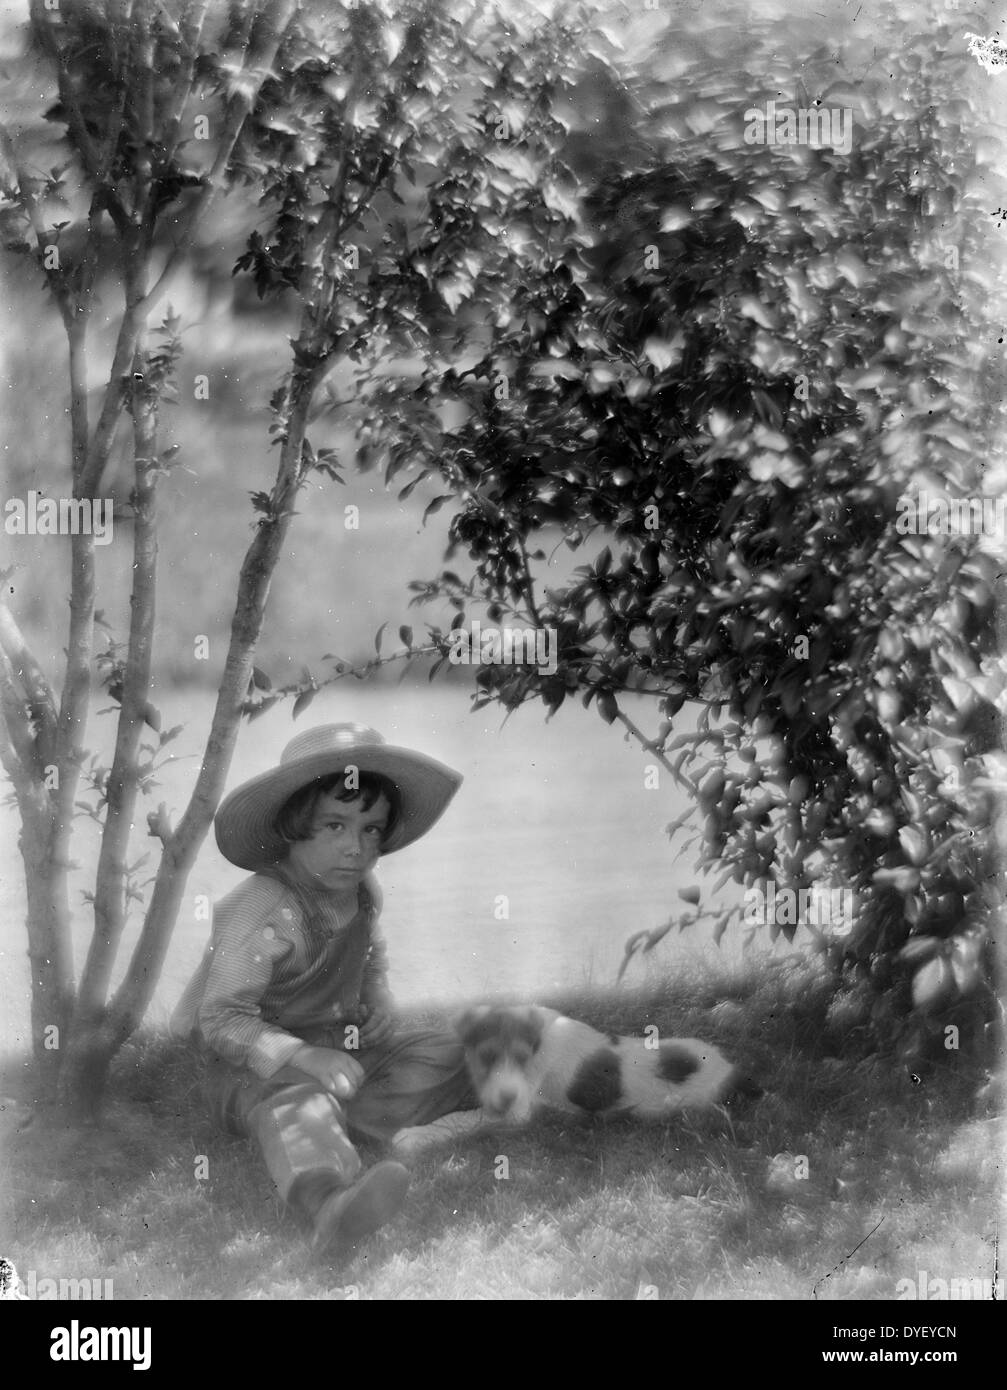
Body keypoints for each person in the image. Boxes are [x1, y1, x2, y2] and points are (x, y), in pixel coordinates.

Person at [171, 722, 481, 1261]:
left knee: (458, 1049)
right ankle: (330, 1205)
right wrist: (303, 1056)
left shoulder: (360, 890)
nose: (355, 849)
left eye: (371, 830)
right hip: (257, 1070)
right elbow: (220, 1020)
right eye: (335, 826)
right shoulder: (260, 908)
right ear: (295, 825)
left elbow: (370, 952)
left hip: (343, 1050)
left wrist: (378, 998)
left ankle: (522, 1087)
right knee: (298, 1107)